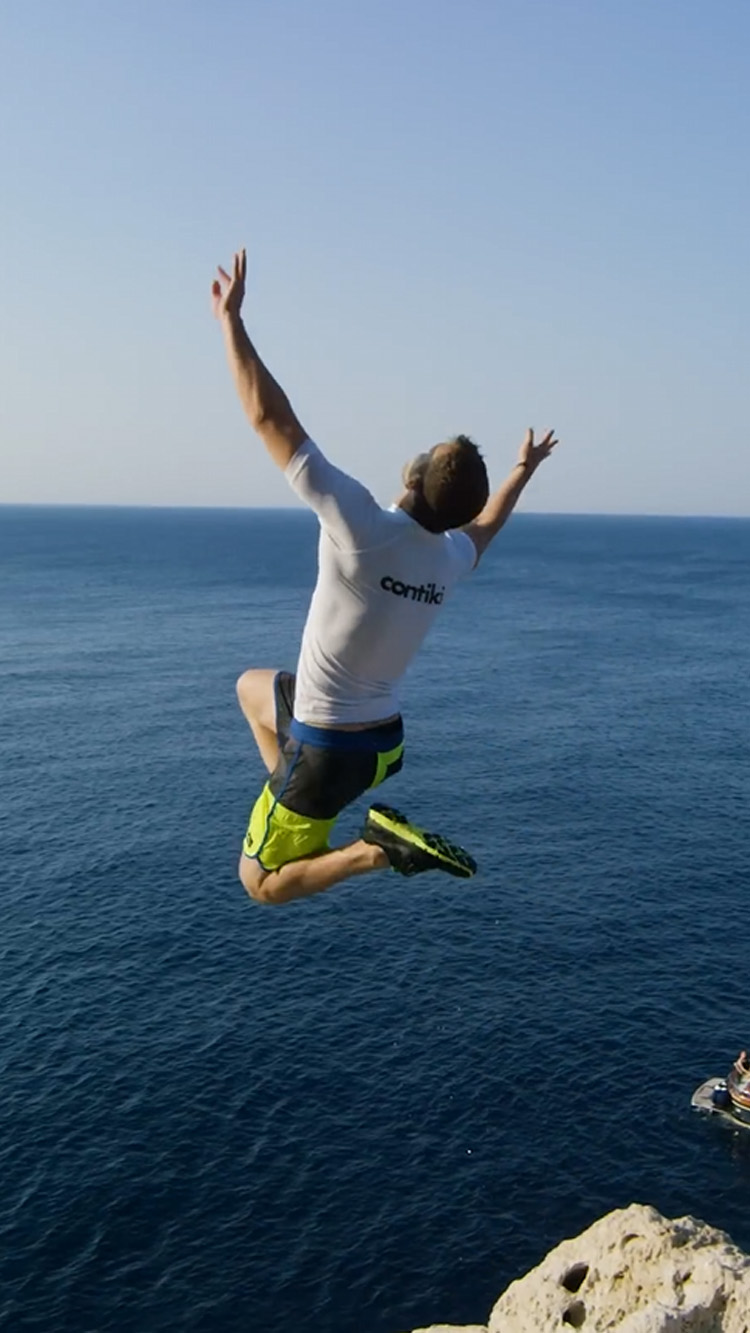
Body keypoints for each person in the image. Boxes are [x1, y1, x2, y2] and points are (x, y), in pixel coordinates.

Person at [212, 248, 557, 906]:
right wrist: (525, 469)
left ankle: (371, 851)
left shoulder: (360, 526)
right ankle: (297, 795)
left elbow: (269, 418)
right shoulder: (450, 556)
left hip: (332, 748)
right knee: (250, 689)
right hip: (381, 746)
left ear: (414, 476)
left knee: (257, 884)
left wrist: (232, 323)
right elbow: (489, 523)